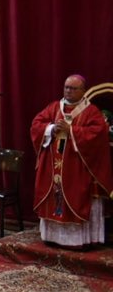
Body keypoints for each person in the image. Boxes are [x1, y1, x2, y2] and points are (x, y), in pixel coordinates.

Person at [31, 74, 113, 247]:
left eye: (73, 88)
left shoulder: (91, 111)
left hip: (77, 168)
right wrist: (52, 128)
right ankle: (52, 237)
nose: (68, 91)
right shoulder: (54, 107)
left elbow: (98, 134)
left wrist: (72, 131)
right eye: (66, 87)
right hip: (53, 166)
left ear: (83, 91)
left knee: (76, 195)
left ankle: (78, 241)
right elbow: (36, 125)